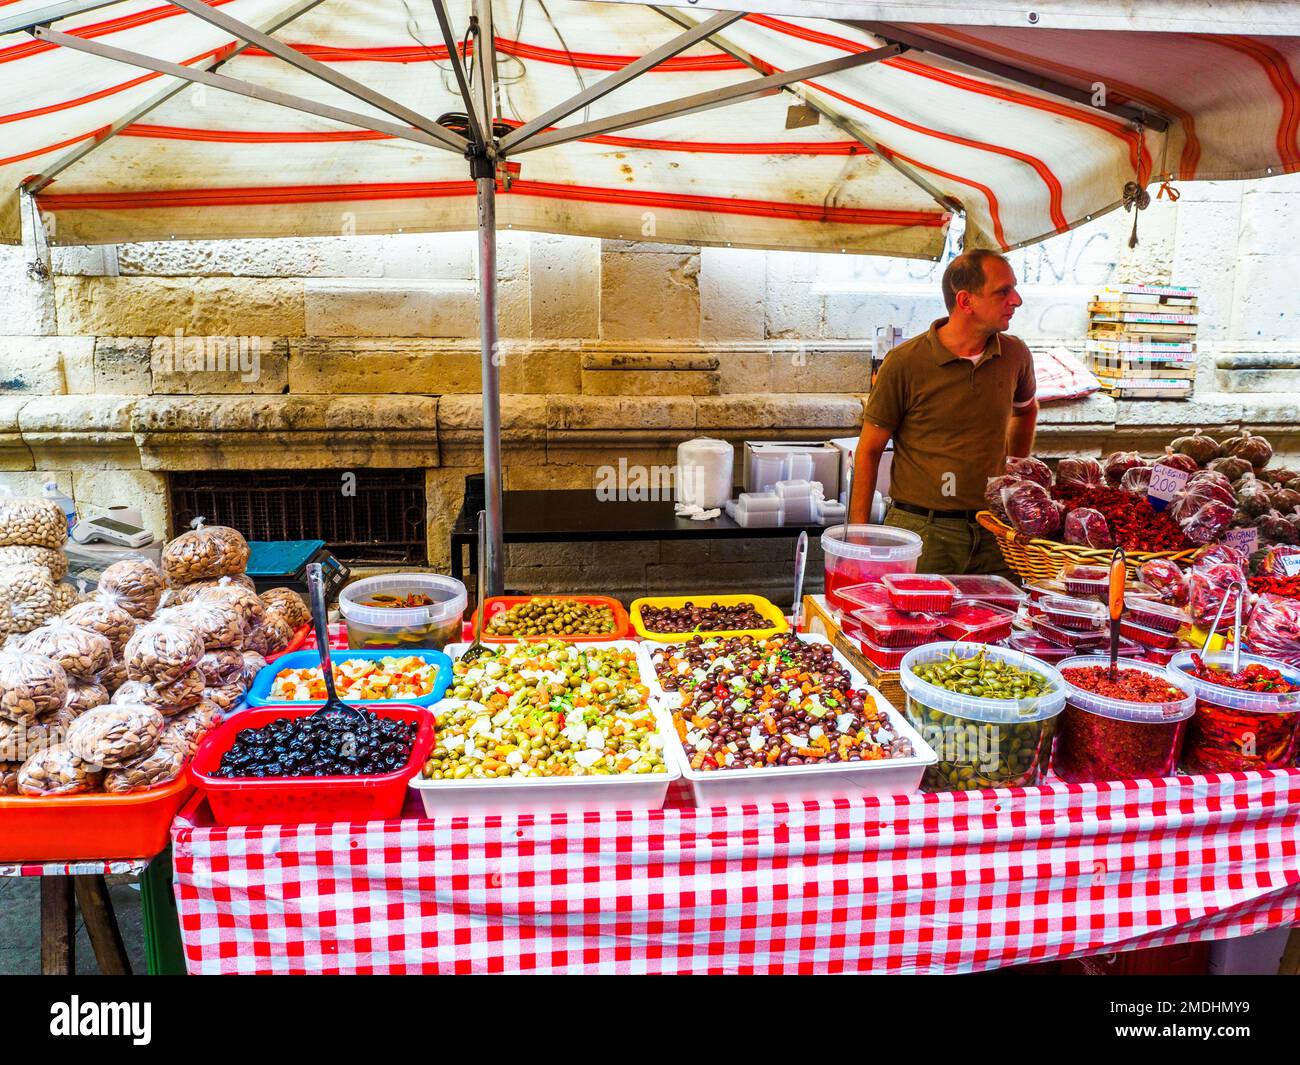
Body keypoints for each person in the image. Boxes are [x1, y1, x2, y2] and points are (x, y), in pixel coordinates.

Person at [848, 249, 1038, 578]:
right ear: (966, 301)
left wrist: (1013, 476)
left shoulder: (1015, 355)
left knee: (1003, 612)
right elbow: (869, 449)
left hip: (996, 533)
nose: (1016, 300)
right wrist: (859, 536)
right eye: (1003, 291)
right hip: (923, 532)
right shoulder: (905, 363)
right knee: (915, 612)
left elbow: (1025, 411)